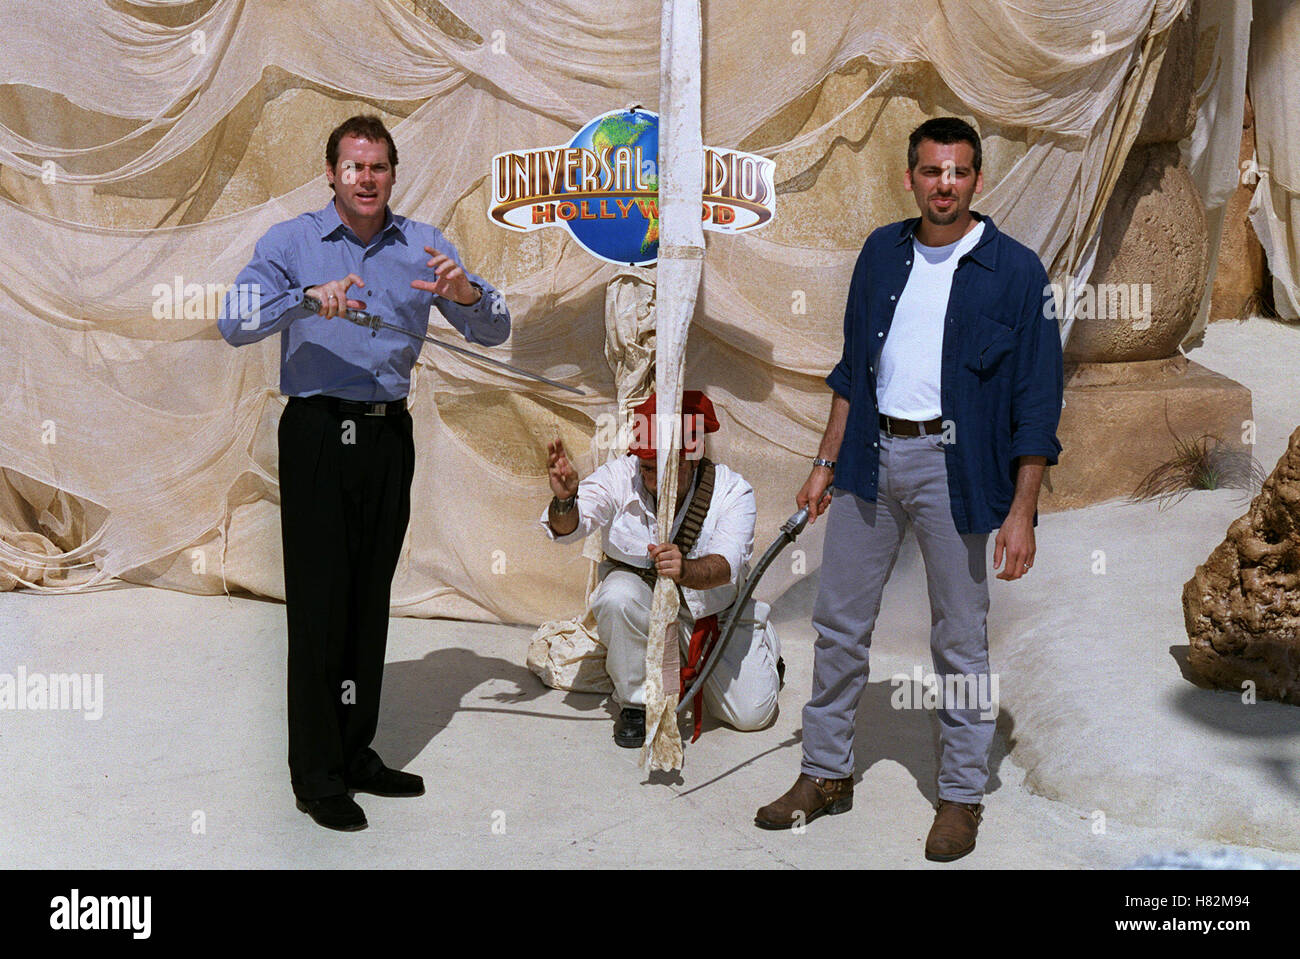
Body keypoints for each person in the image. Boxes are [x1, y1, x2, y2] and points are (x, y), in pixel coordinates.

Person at [754, 117, 1063, 862]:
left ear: (978, 180)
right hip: (870, 456)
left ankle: (959, 795)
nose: (945, 185)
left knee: (959, 638)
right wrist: (824, 463)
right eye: (931, 171)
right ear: (911, 177)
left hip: (954, 472)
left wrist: (1022, 513)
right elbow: (851, 370)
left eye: (958, 172)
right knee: (838, 625)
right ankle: (825, 773)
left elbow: (1038, 403)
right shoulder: (881, 254)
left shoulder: (1016, 273)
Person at [219, 114, 509, 831]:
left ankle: (355, 752)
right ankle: (315, 776)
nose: (367, 178)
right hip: (319, 432)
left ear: (391, 174)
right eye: (354, 166)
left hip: (388, 437)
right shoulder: (291, 243)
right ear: (330, 173)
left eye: (379, 166)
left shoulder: (424, 245)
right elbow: (233, 318)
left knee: (368, 599)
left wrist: (468, 294)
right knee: (320, 606)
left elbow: (497, 329)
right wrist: (305, 298)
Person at [540, 391, 781, 747]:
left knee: (751, 715)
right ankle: (636, 704)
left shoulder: (733, 492)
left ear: (692, 460)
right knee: (617, 596)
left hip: (712, 613)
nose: (652, 479)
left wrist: (685, 570)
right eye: (648, 468)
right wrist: (565, 500)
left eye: (665, 470)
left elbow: (725, 566)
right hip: (647, 612)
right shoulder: (621, 475)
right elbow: (570, 526)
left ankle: (766, 649)